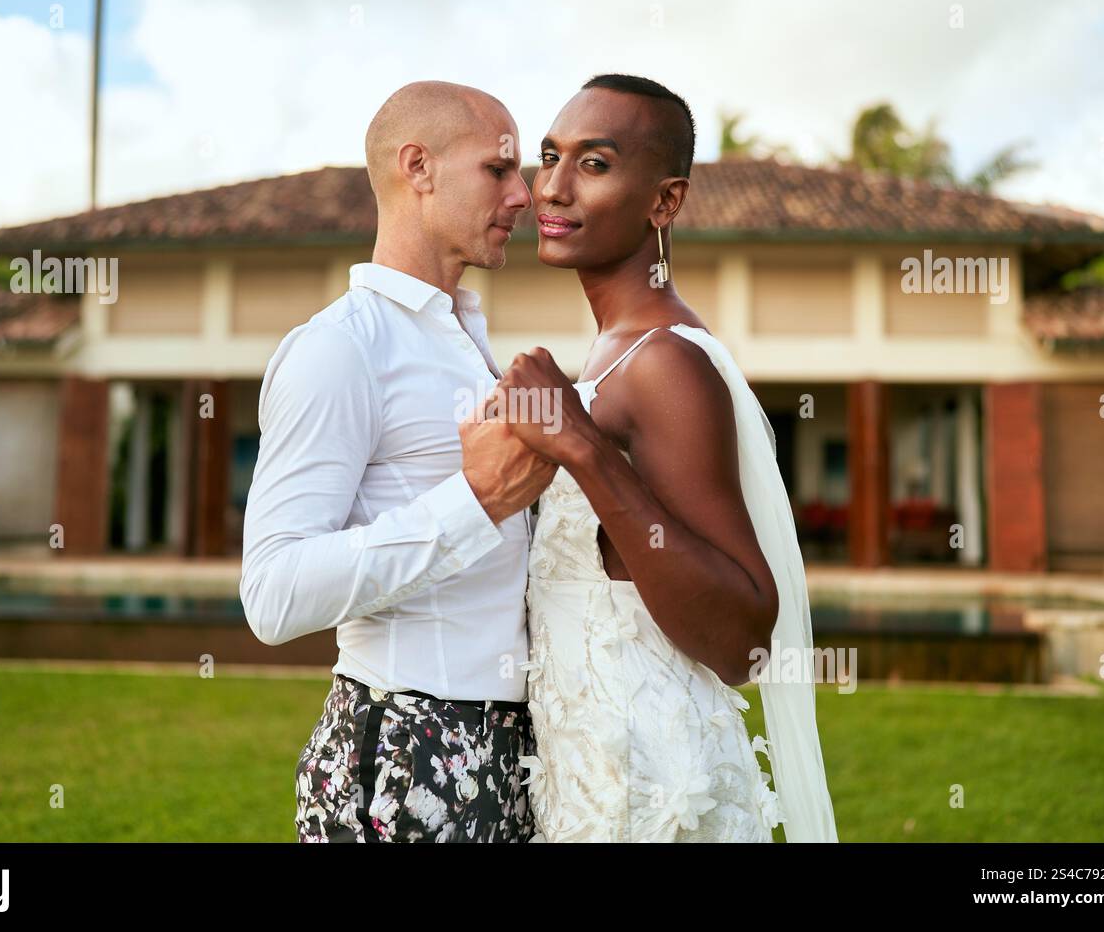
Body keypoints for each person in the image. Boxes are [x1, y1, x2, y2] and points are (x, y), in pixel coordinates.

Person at [484, 74, 839, 841]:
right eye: (549, 157)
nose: (552, 188)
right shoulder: (611, 352)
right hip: (587, 776)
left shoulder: (665, 362)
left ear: (665, 201)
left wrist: (581, 447)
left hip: (649, 793)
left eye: (595, 163)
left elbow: (744, 635)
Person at [240, 81, 555, 842]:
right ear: (419, 168)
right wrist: (471, 504)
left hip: (513, 749)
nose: (524, 195)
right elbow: (273, 594)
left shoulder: (468, 342)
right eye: (498, 170)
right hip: (406, 750)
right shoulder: (339, 349)